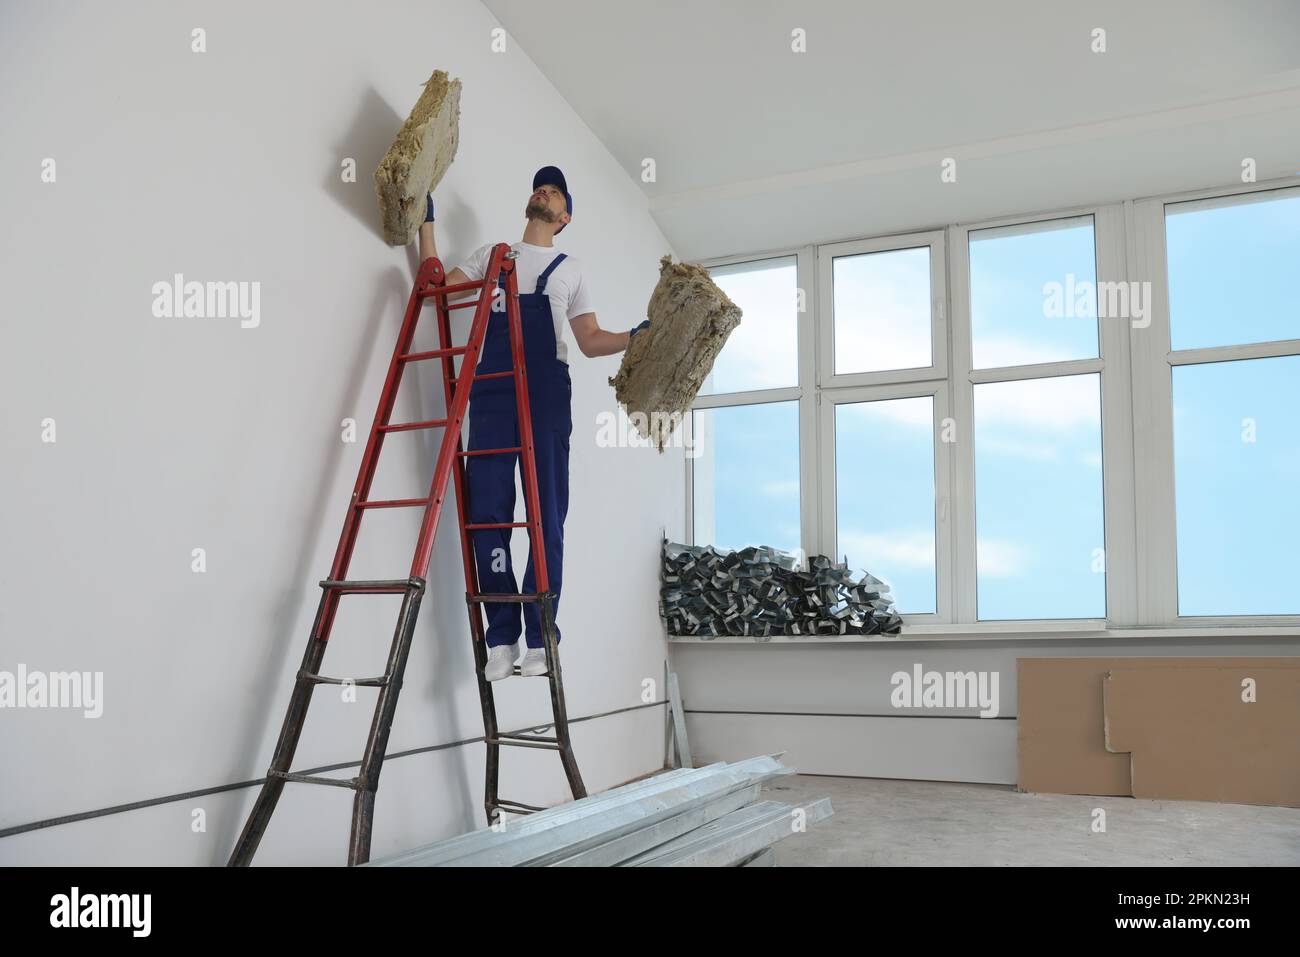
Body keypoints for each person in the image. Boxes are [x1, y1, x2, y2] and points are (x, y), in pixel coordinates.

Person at [418, 167, 649, 680]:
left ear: (564, 216)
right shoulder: (492, 255)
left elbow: (589, 341)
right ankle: (500, 639)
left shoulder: (571, 268)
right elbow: (436, 293)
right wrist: (425, 230)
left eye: (556, 190)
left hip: (546, 391)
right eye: (539, 185)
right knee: (490, 513)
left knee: (546, 512)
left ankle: (542, 635)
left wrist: (636, 335)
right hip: (492, 387)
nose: (543, 189)